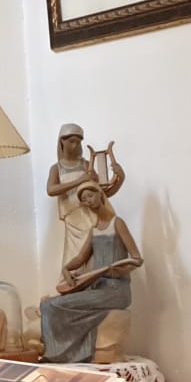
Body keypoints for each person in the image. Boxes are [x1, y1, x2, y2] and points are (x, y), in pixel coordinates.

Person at [40, 184, 143, 363]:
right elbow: (80, 257)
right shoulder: (93, 229)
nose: (87, 201)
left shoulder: (117, 223)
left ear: (99, 194)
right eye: (84, 199)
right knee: (48, 305)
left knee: (53, 305)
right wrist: (66, 269)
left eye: (89, 196)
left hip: (116, 291)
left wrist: (121, 269)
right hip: (98, 286)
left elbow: (136, 258)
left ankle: (61, 354)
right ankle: (61, 352)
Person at [45, 123, 123, 268]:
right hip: (74, 219)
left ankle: (96, 280)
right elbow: (51, 190)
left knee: (96, 252)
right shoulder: (57, 168)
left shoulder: (86, 165)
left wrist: (120, 179)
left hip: (91, 214)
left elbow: (102, 194)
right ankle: (74, 281)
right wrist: (78, 181)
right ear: (62, 141)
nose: (75, 145)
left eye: (78, 142)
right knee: (75, 255)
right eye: (71, 141)